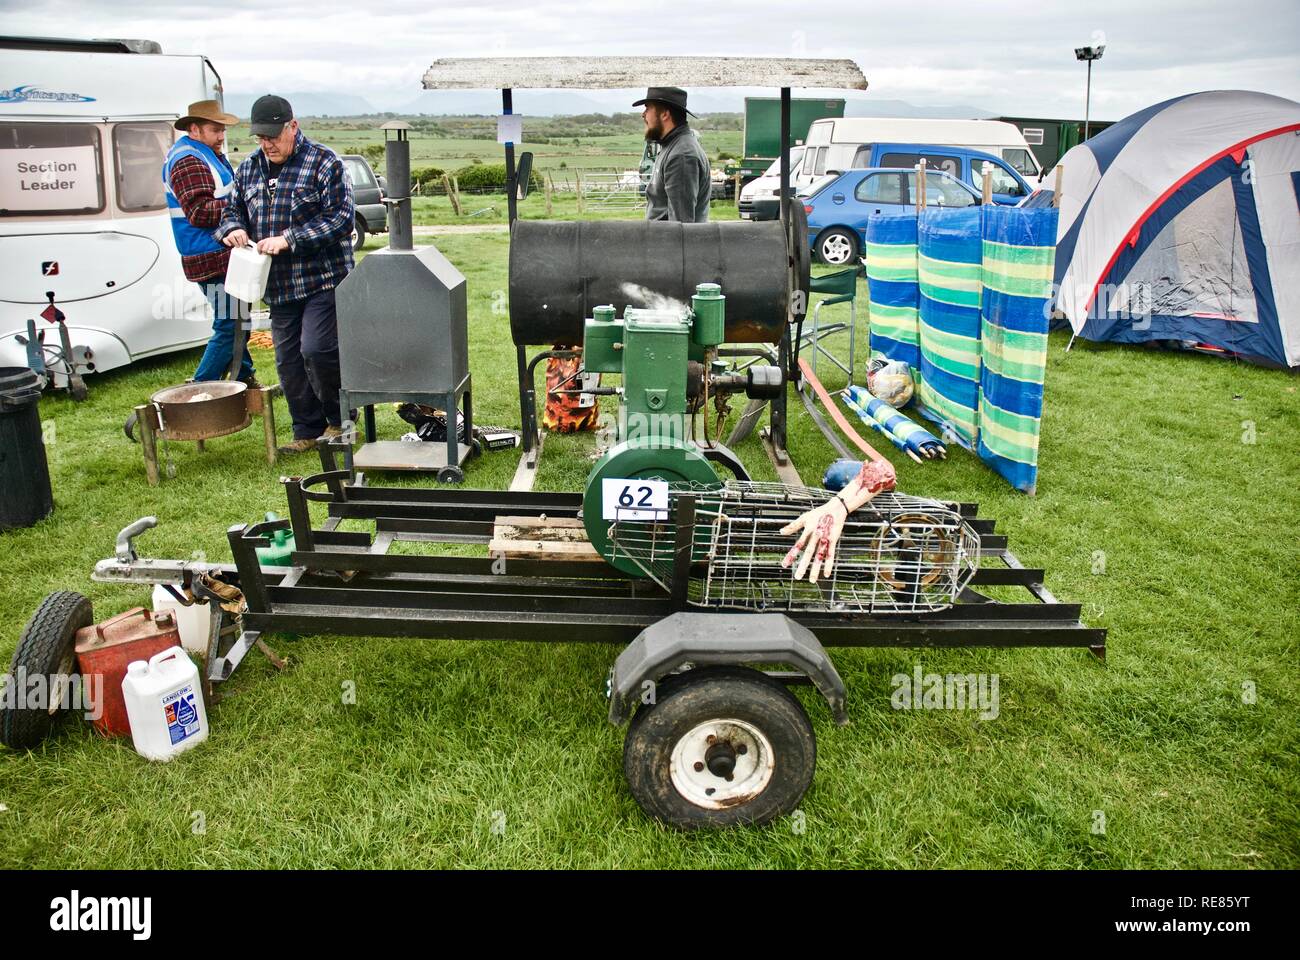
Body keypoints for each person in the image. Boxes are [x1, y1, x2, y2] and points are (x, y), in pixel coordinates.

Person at [216, 95, 354, 454]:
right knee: (288, 360)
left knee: (318, 349)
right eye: (261, 138)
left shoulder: (326, 163)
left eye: (273, 136)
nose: (267, 144)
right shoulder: (247, 168)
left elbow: (341, 219)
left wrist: (290, 239)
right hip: (276, 285)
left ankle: (341, 421)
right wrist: (232, 229)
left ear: (293, 126)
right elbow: (230, 210)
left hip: (323, 279)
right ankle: (307, 429)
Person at [162, 99, 256, 385]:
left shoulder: (201, 153)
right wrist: (245, 204)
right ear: (194, 129)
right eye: (215, 129)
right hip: (209, 253)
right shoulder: (189, 161)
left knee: (237, 320)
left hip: (215, 251)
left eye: (222, 130)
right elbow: (199, 212)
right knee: (231, 324)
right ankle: (200, 389)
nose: (221, 136)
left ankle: (244, 378)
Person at [634, 86, 712, 223]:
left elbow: (680, 227)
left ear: (665, 114)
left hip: (670, 243)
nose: (643, 114)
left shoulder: (681, 155)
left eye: (648, 108)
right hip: (661, 242)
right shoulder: (672, 146)